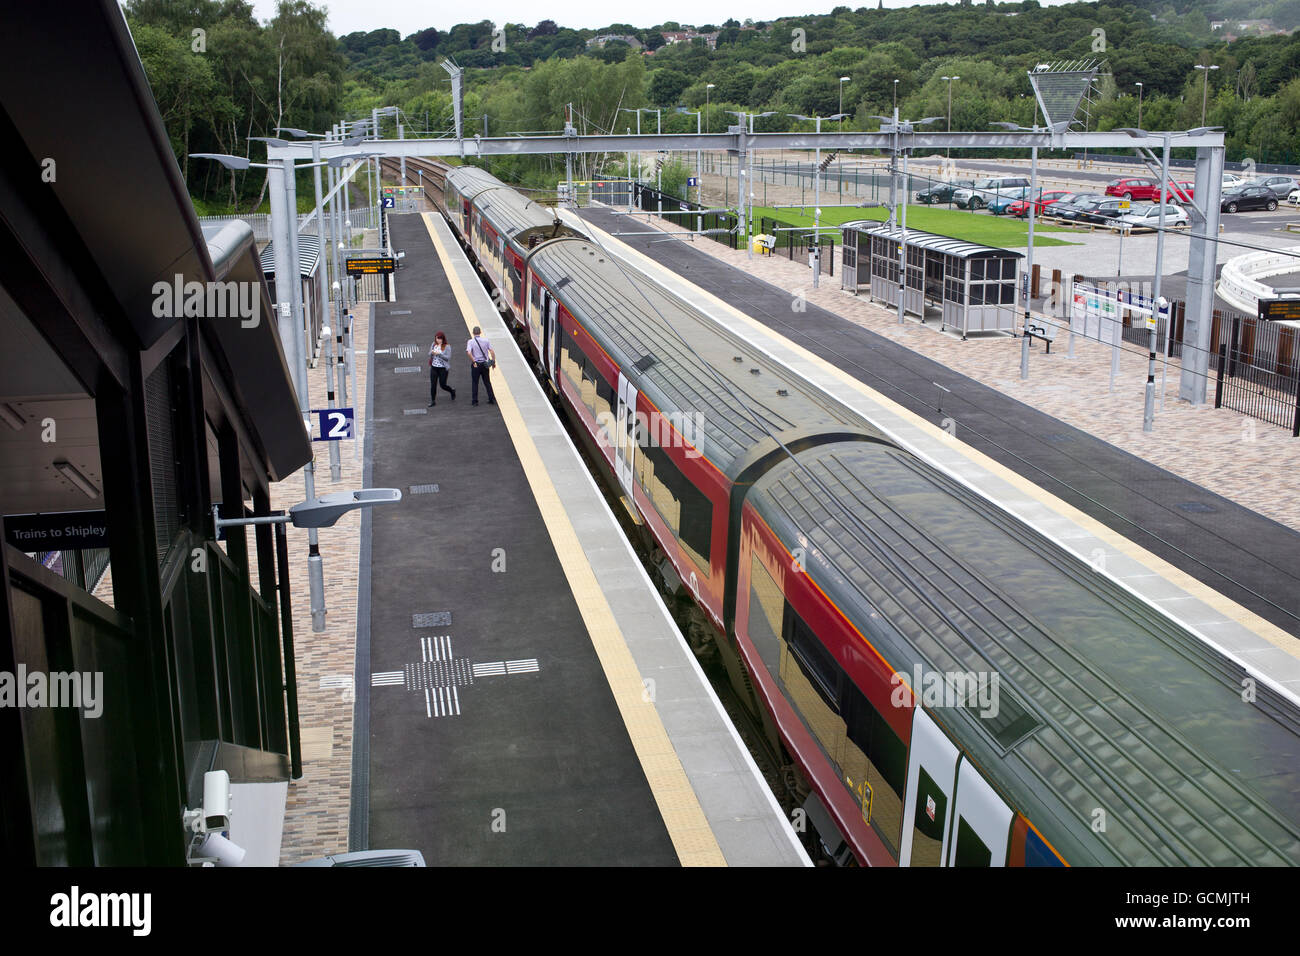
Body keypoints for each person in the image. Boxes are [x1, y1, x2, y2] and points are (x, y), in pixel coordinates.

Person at [466, 326, 496, 406]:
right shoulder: (486, 341)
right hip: (485, 364)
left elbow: (469, 352)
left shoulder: (470, 342)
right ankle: (491, 399)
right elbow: (492, 351)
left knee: (475, 383)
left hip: (476, 365)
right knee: (487, 382)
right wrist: (493, 362)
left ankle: (475, 401)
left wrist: (474, 361)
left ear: (473, 333)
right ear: (480, 332)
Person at [428, 331, 455, 406]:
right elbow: (429, 353)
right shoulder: (433, 344)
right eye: (437, 339)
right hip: (434, 368)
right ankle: (433, 401)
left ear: (443, 339)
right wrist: (432, 352)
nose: (438, 340)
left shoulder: (447, 346)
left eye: (439, 339)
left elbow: (448, 358)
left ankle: (452, 391)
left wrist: (439, 354)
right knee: (433, 385)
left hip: (443, 368)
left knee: (443, 385)